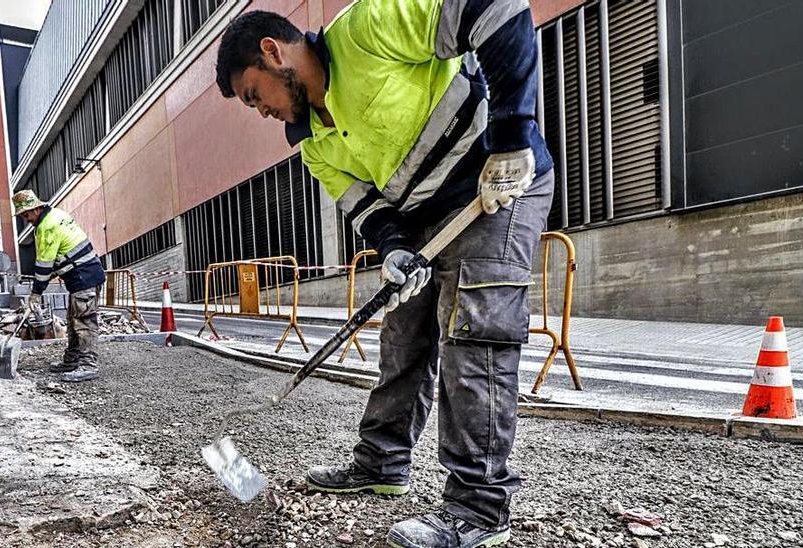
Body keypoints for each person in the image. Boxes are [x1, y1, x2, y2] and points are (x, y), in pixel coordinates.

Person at [214, 1, 553, 546]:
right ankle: (381, 464)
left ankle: (479, 506)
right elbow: (363, 204)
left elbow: (497, 9)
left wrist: (513, 132)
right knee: (402, 337)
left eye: (255, 95)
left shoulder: (369, 27)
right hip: (421, 219)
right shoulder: (307, 138)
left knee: (476, 333)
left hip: (494, 185)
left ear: (272, 52)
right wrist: (393, 247)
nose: (262, 112)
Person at [11, 190, 106, 383]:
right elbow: (62, 255)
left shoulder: (47, 226)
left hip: (83, 278)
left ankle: (88, 365)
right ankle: (72, 360)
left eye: (27, 214)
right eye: (22, 216)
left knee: (84, 323)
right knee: (73, 321)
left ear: (36, 208)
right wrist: (49, 275)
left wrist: (36, 293)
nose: (26, 219)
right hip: (84, 274)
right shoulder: (57, 215)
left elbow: (44, 263)